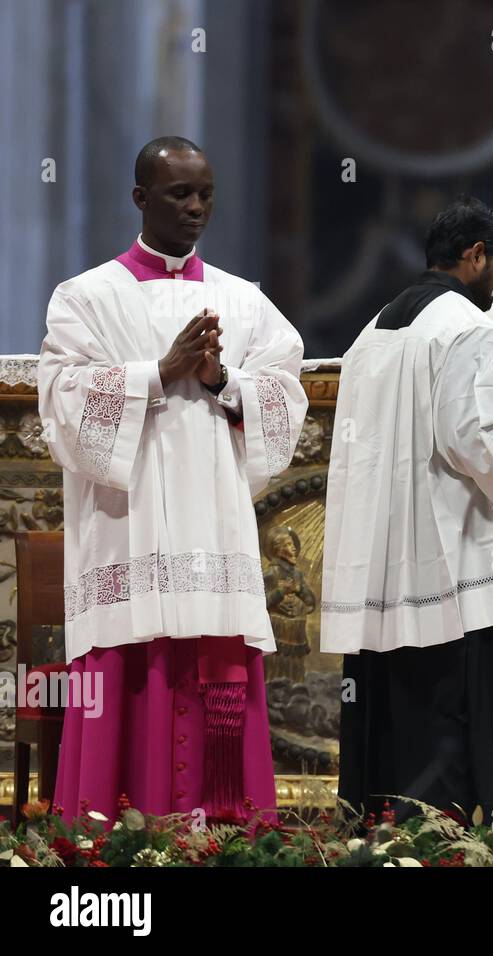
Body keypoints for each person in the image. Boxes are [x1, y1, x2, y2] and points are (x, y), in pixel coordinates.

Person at [38, 135, 306, 821]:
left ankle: (228, 837)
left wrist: (222, 379)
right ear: (140, 199)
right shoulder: (87, 297)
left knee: (213, 680)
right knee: (133, 678)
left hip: (214, 536)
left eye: (206, 194)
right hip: (127, 533)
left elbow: (284, 397)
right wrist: (158, 373)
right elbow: (62, 405)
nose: (195, 207)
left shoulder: (242, 301)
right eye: (179, 194)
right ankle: (114, 841)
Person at [322, 197, 493, 822]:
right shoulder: (470, 329)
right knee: (452, 702)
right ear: (473, 256)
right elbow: (476, 440)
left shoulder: (376, 325)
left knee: (391, 700)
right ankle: (462, 829)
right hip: (449, 552)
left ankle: (388, 825)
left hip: (385, 555)